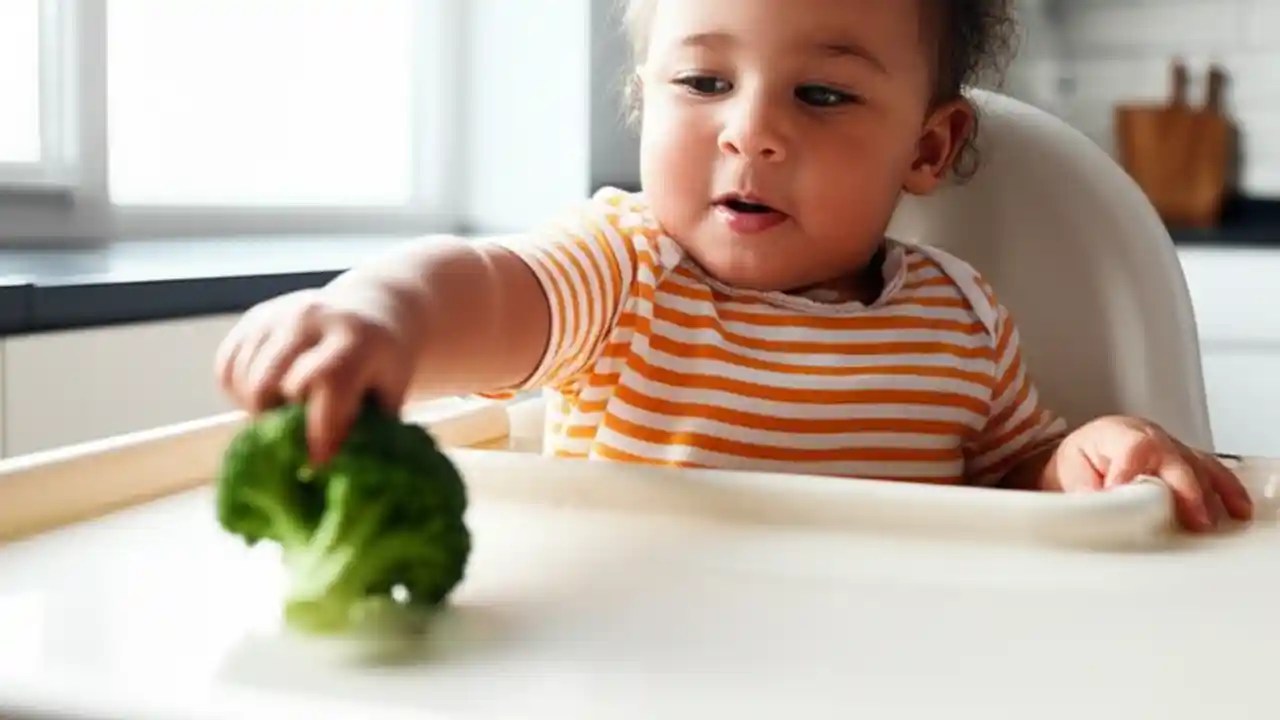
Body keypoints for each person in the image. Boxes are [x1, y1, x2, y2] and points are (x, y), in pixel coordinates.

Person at [215, 0, 1252, 532]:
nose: (748, 134)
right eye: (704, 80)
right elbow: (487, 287)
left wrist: (1090, 458)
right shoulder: (624, 272)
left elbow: (1011, 479)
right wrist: (376, 319)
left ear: (927, 149)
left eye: (822, 96)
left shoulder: (959, 319)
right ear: (644, 101)